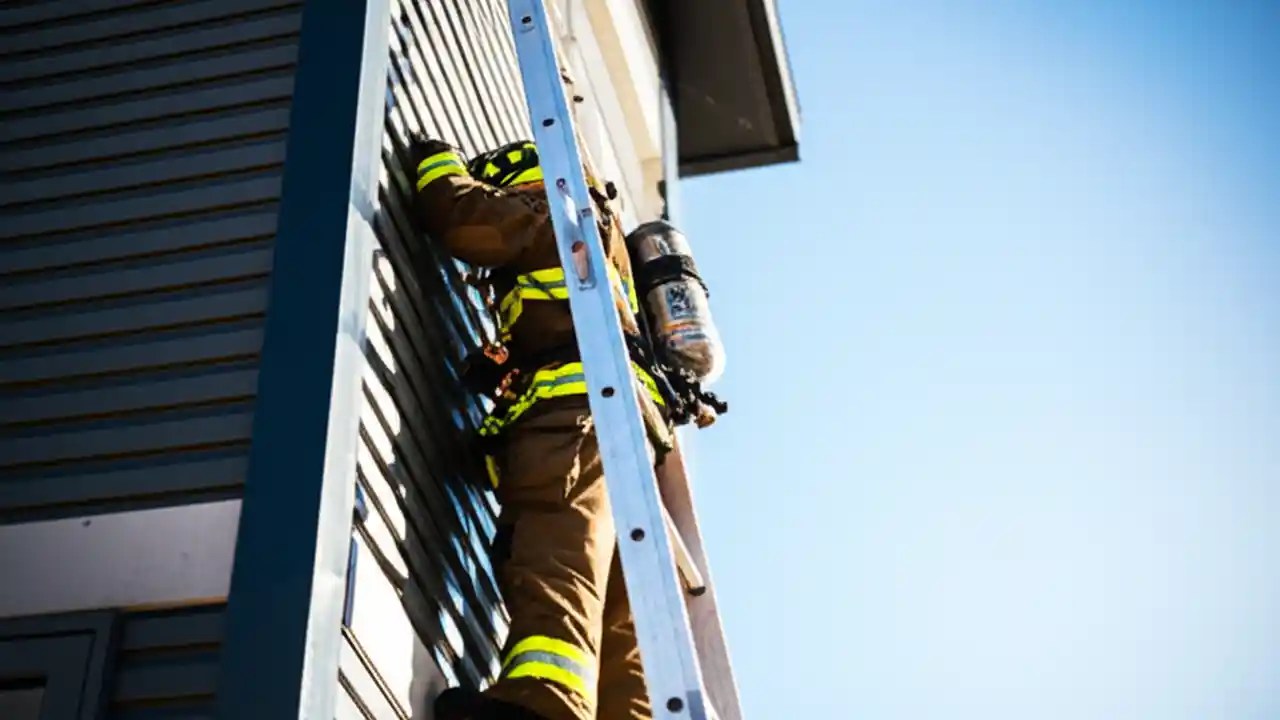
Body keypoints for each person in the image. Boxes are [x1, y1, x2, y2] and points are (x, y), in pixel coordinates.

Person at [411, 134, 672, 720]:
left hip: (575, 420)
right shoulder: (605, 255)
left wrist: (435, 159)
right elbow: (562, 323)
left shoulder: (548, 212)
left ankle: (542, 703)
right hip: (630, 440)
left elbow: (460, 217)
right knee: (620, 609)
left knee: (558, 548)